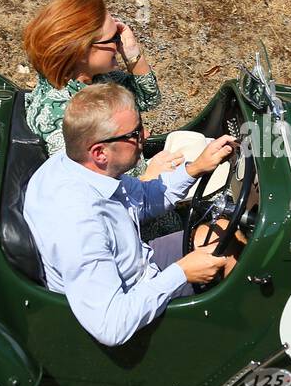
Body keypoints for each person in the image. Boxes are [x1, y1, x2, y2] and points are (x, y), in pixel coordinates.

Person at [23, 82, 240, 347]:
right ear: (100, 153)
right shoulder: (80, 225)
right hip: (130, 308)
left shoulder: (76, 165)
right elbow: (111, 326)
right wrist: (181, 273)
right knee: (234, 257)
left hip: (136, 270)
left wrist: (194, 168)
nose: (145, 135)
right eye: (134, 133)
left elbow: (144, 199)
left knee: (224, 233)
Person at [22, 0, 168, 164]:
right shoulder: (61, 116)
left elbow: (148, 99)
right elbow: (85, 183)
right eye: (113, 38)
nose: (119, 42)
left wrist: (131, 52)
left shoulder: (96, 79)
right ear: (82, 51)